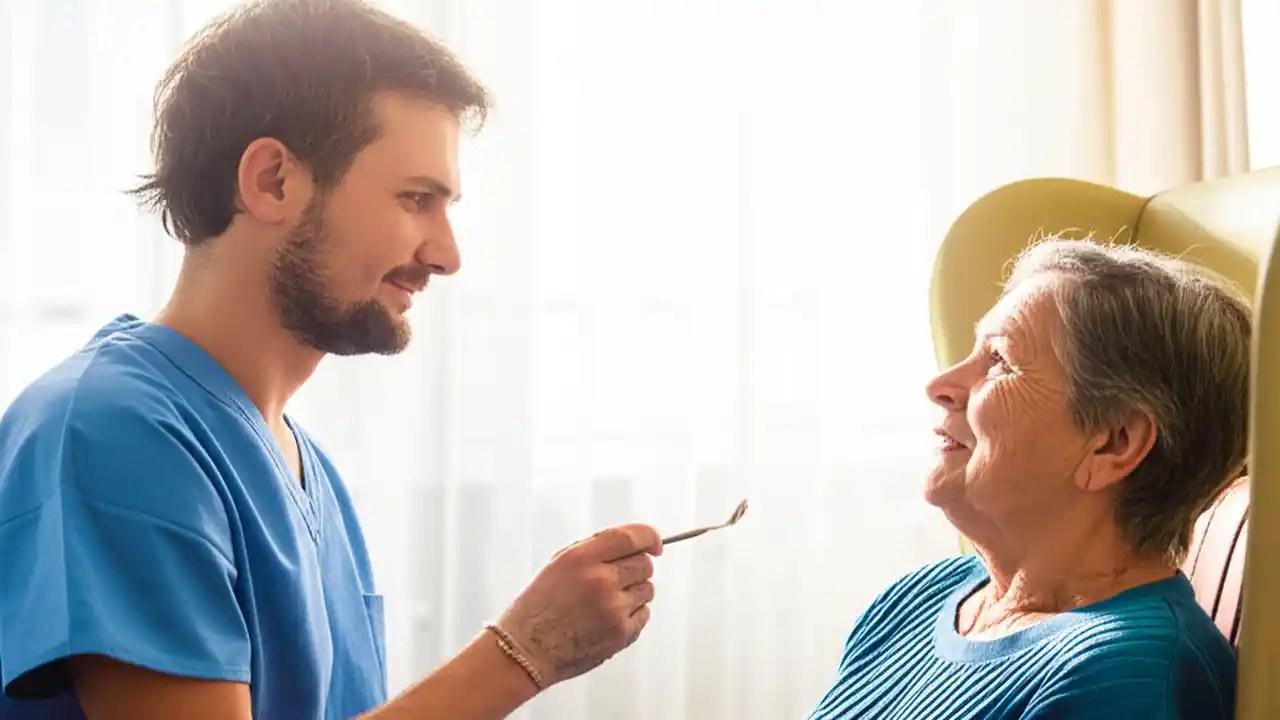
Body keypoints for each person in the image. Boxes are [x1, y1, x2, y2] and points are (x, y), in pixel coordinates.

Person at [0, 1, 664, 718]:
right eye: (416, 199)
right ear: (272, 181)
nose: (447, 254)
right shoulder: (111, 432)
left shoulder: (305, 468)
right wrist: (521, 653)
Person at [808, 238, 1245, 719]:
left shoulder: (1124, 675)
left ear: (1113, 444)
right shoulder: (915, 600)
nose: (939, 386)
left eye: (999, 360)